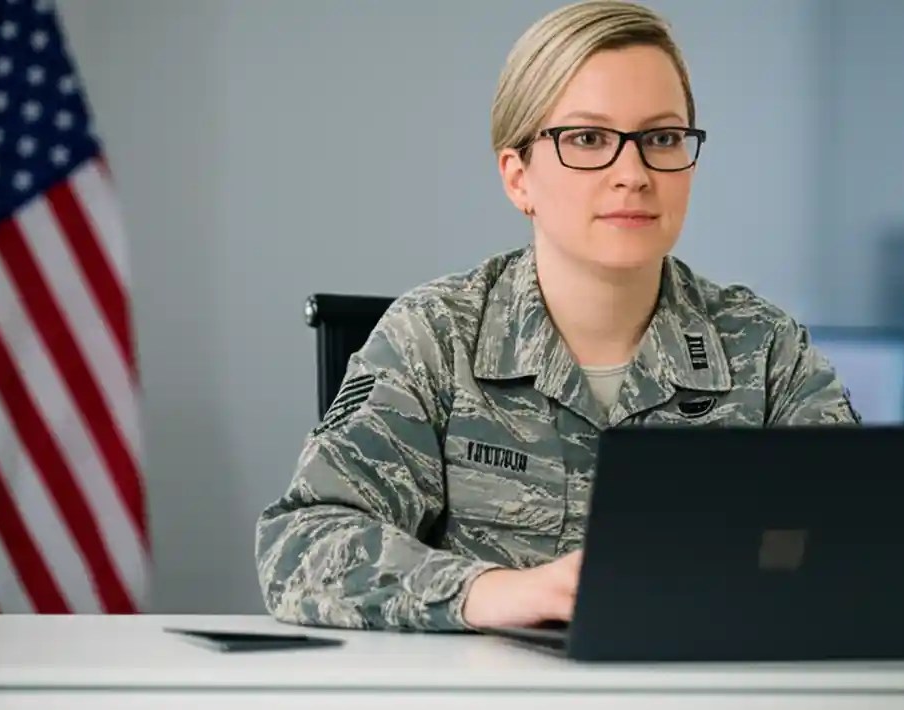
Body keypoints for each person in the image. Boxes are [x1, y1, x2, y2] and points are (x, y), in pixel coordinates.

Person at [255, 0, 858, 633]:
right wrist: (491, 592)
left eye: (661, 138)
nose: (633, 174)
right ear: (518, 178)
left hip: (705, 676)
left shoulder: (763, 348)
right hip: (494, 682)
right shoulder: (435, 338)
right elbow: (299, 545)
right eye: (588, 139)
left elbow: (868, 539)